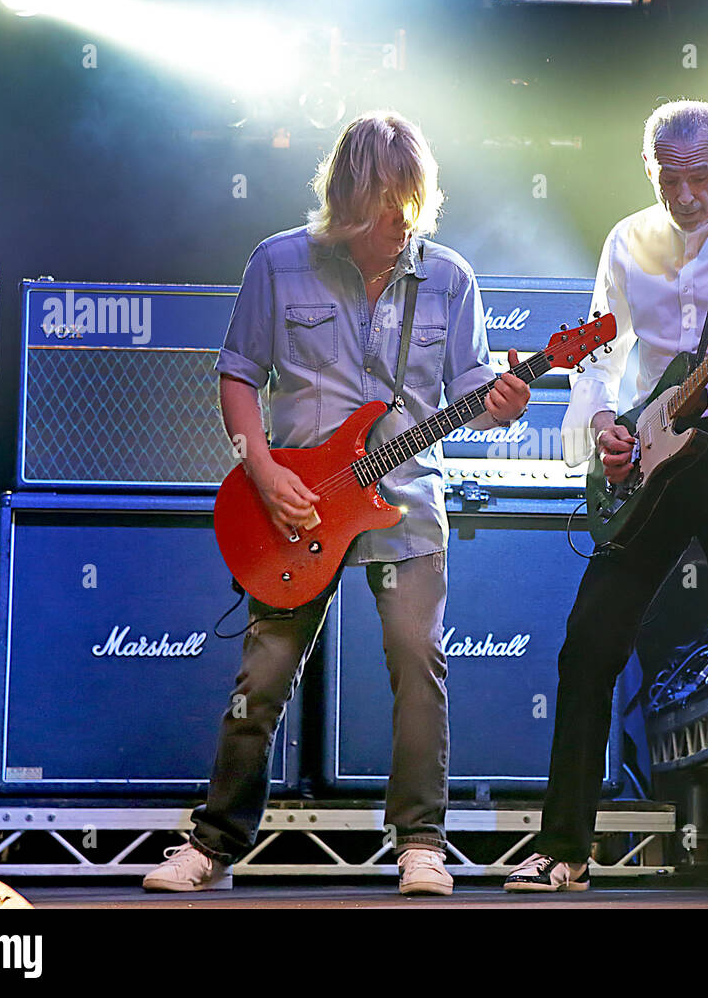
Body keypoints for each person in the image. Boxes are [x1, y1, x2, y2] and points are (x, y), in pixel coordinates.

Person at [143, 111, 529, 896]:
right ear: (348, 198)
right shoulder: (279, 264)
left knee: (419, 664)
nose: (398, 222)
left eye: (409, 204)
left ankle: (421, 841)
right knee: (264, 673)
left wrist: (504, 402)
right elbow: (238, 372)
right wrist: (261, 471)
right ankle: (211, 846)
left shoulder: (448, 276)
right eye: (384, 204)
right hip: (297, 507)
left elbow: (470, 394)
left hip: (407, 499)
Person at [504, 100, 708, 893]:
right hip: (652, 458)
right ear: (648, 169)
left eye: (699, 177)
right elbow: (599, 362)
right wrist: (606, 435)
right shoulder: (628, 240)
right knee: (589, 645)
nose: (686, 196)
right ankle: (564, 849)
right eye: (669, 178)